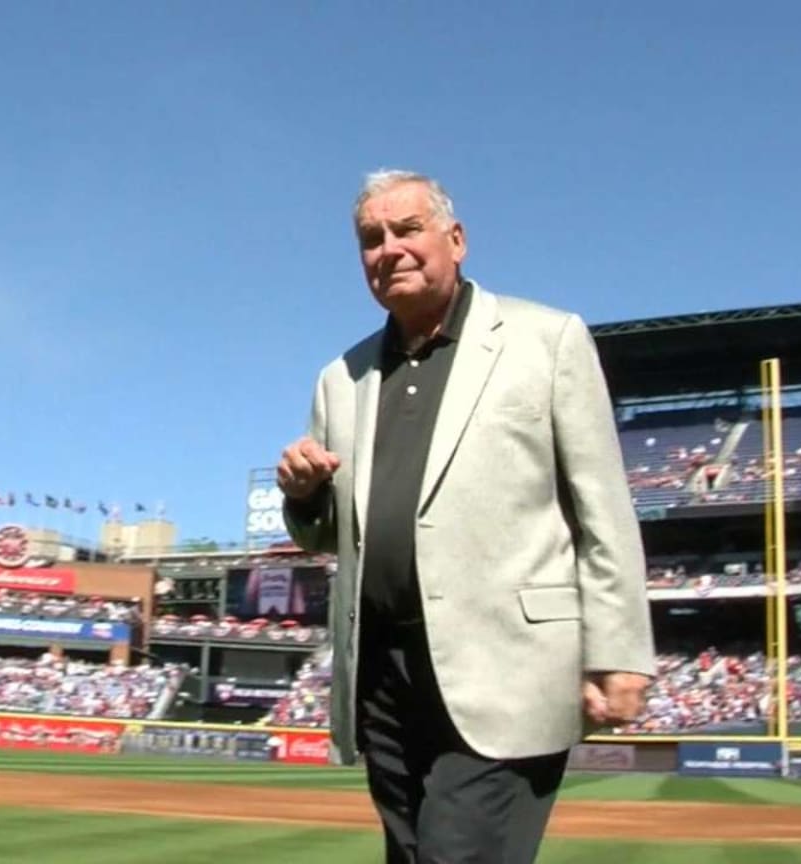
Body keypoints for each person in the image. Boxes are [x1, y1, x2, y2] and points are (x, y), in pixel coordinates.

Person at [277, 169, 656, 863]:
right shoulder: (342, 377)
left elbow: (602, 508)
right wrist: (303, 498)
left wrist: (621, 650)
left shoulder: (547, 339)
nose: (388, 249)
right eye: (370, 239)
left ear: (456, 239)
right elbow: (328, 535)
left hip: (505, 665)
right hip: (383, 680)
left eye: (406, 229)